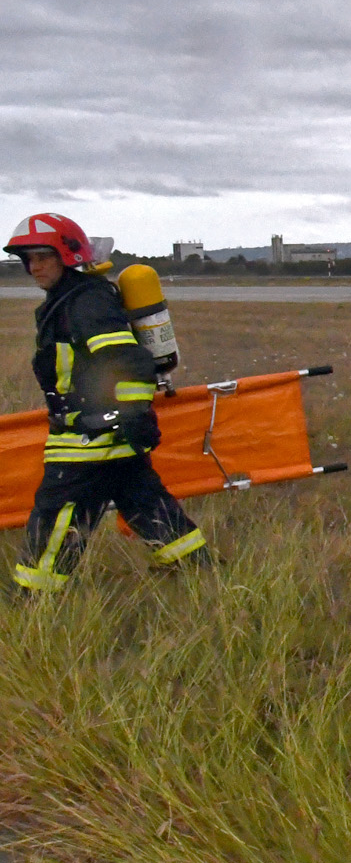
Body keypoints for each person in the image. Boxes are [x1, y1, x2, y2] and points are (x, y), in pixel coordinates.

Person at [6, 214, 207, 594]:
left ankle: (32, 598)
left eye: (42, 257)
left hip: (89, 440)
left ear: (67, 256)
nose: (34, 267)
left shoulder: (86, 303)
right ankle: (201, 573)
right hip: (113, 436)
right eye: (28, 259)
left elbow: (125, 361)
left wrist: (126, 415)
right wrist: (128, 422)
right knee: (147, 505)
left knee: (56, 514)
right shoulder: (70, 300)